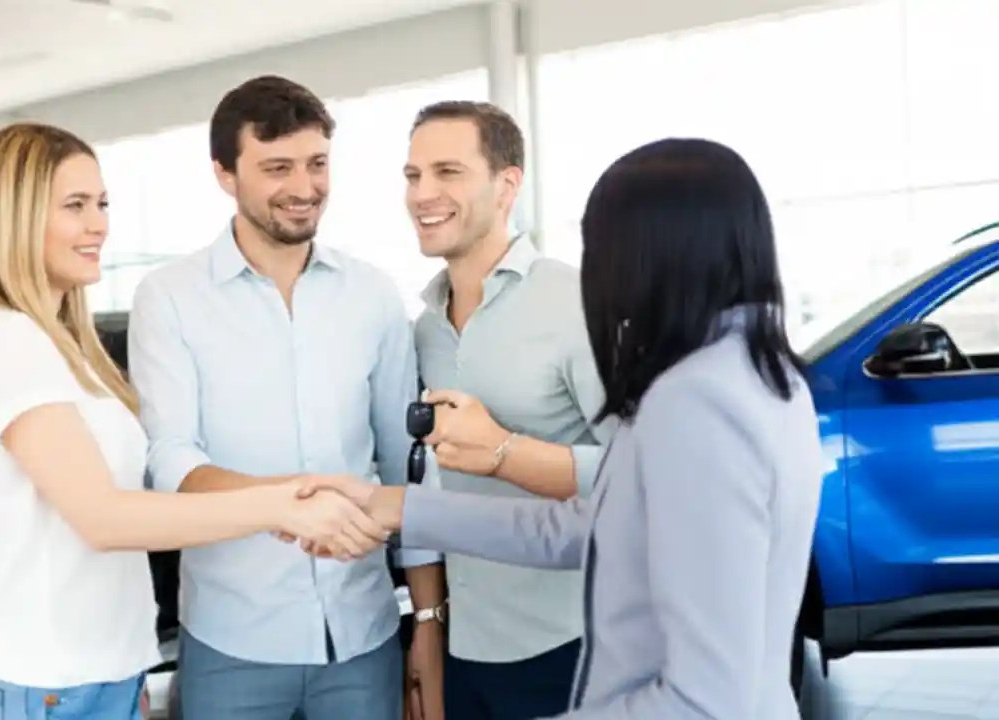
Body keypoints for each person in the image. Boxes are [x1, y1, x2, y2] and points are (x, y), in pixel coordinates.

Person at [299, 137, 825, 719]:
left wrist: (502, 452)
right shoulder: (755, 373)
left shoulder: (697, 403)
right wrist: (395, 507)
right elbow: (584, 526)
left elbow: (702, 701)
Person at [0, 122, 388, 720]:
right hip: (51, 689)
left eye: (101, 203)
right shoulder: (2, 339)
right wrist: (282, 505)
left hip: (95, 679)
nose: (99, 224)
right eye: (75, 206)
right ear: (14, 217)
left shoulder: (57, 343)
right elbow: (104, 517)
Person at [128, 75, 446, 720]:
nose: (304, 189)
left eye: (317, 164)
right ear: (224, 173)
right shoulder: (169, 298)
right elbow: (171, 460)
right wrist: (284, 505)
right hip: (231, 639)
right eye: (278, 168)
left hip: (365, 634)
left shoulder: (373, 294)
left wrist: (430, 623)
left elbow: (407, 465)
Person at [400, 100, 610, 719]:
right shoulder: (424, 328)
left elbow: (645, 474)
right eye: (413, 176)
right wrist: (429, 627)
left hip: (573, 645)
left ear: (507, 184)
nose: (423, 194)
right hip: (466, 650)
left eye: (447, 172)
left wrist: (502, 452)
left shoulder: (577, 303)